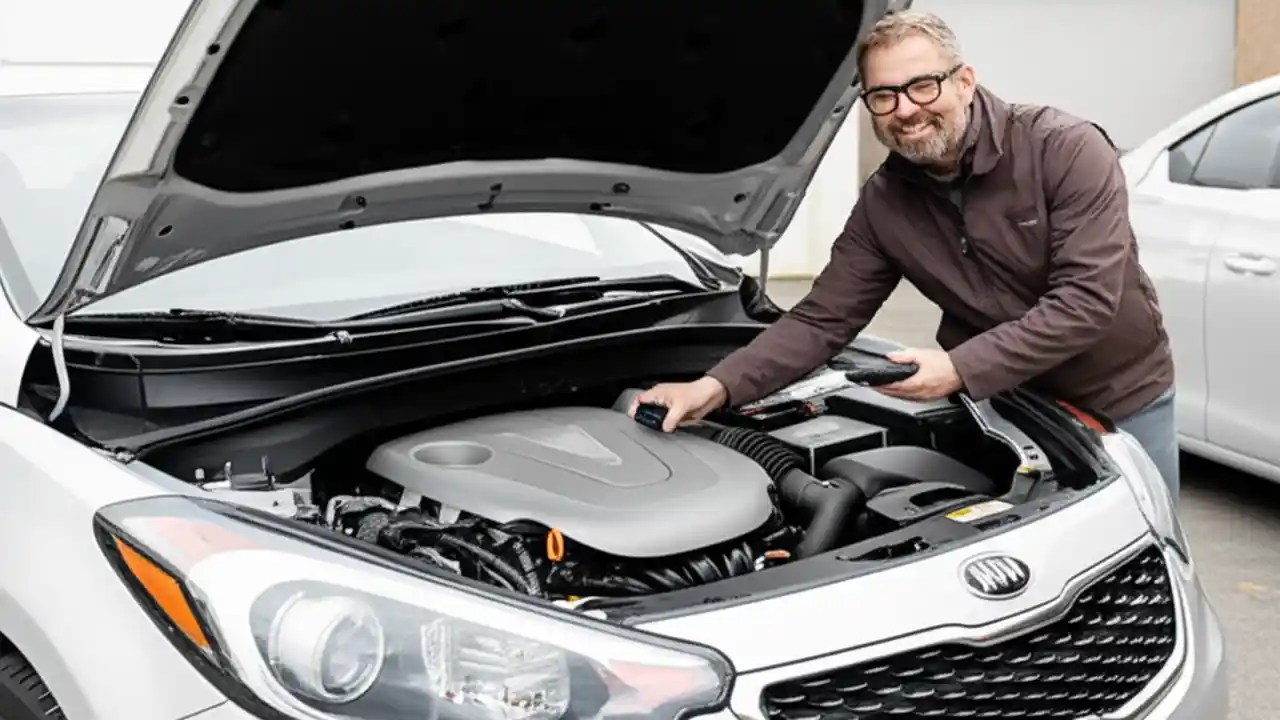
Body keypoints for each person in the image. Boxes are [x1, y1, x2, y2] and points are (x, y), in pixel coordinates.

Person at [629, 10, 1180, 497]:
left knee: (1140, 554)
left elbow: (1085, 302)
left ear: (965, 81)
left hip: (1118, 396)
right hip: (1005, 405)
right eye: (884, 96)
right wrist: (712, 387)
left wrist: (959, 368)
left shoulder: (1064, 148)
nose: (906, 110)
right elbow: (823, 318)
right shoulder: (885, 201)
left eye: (923, 86)